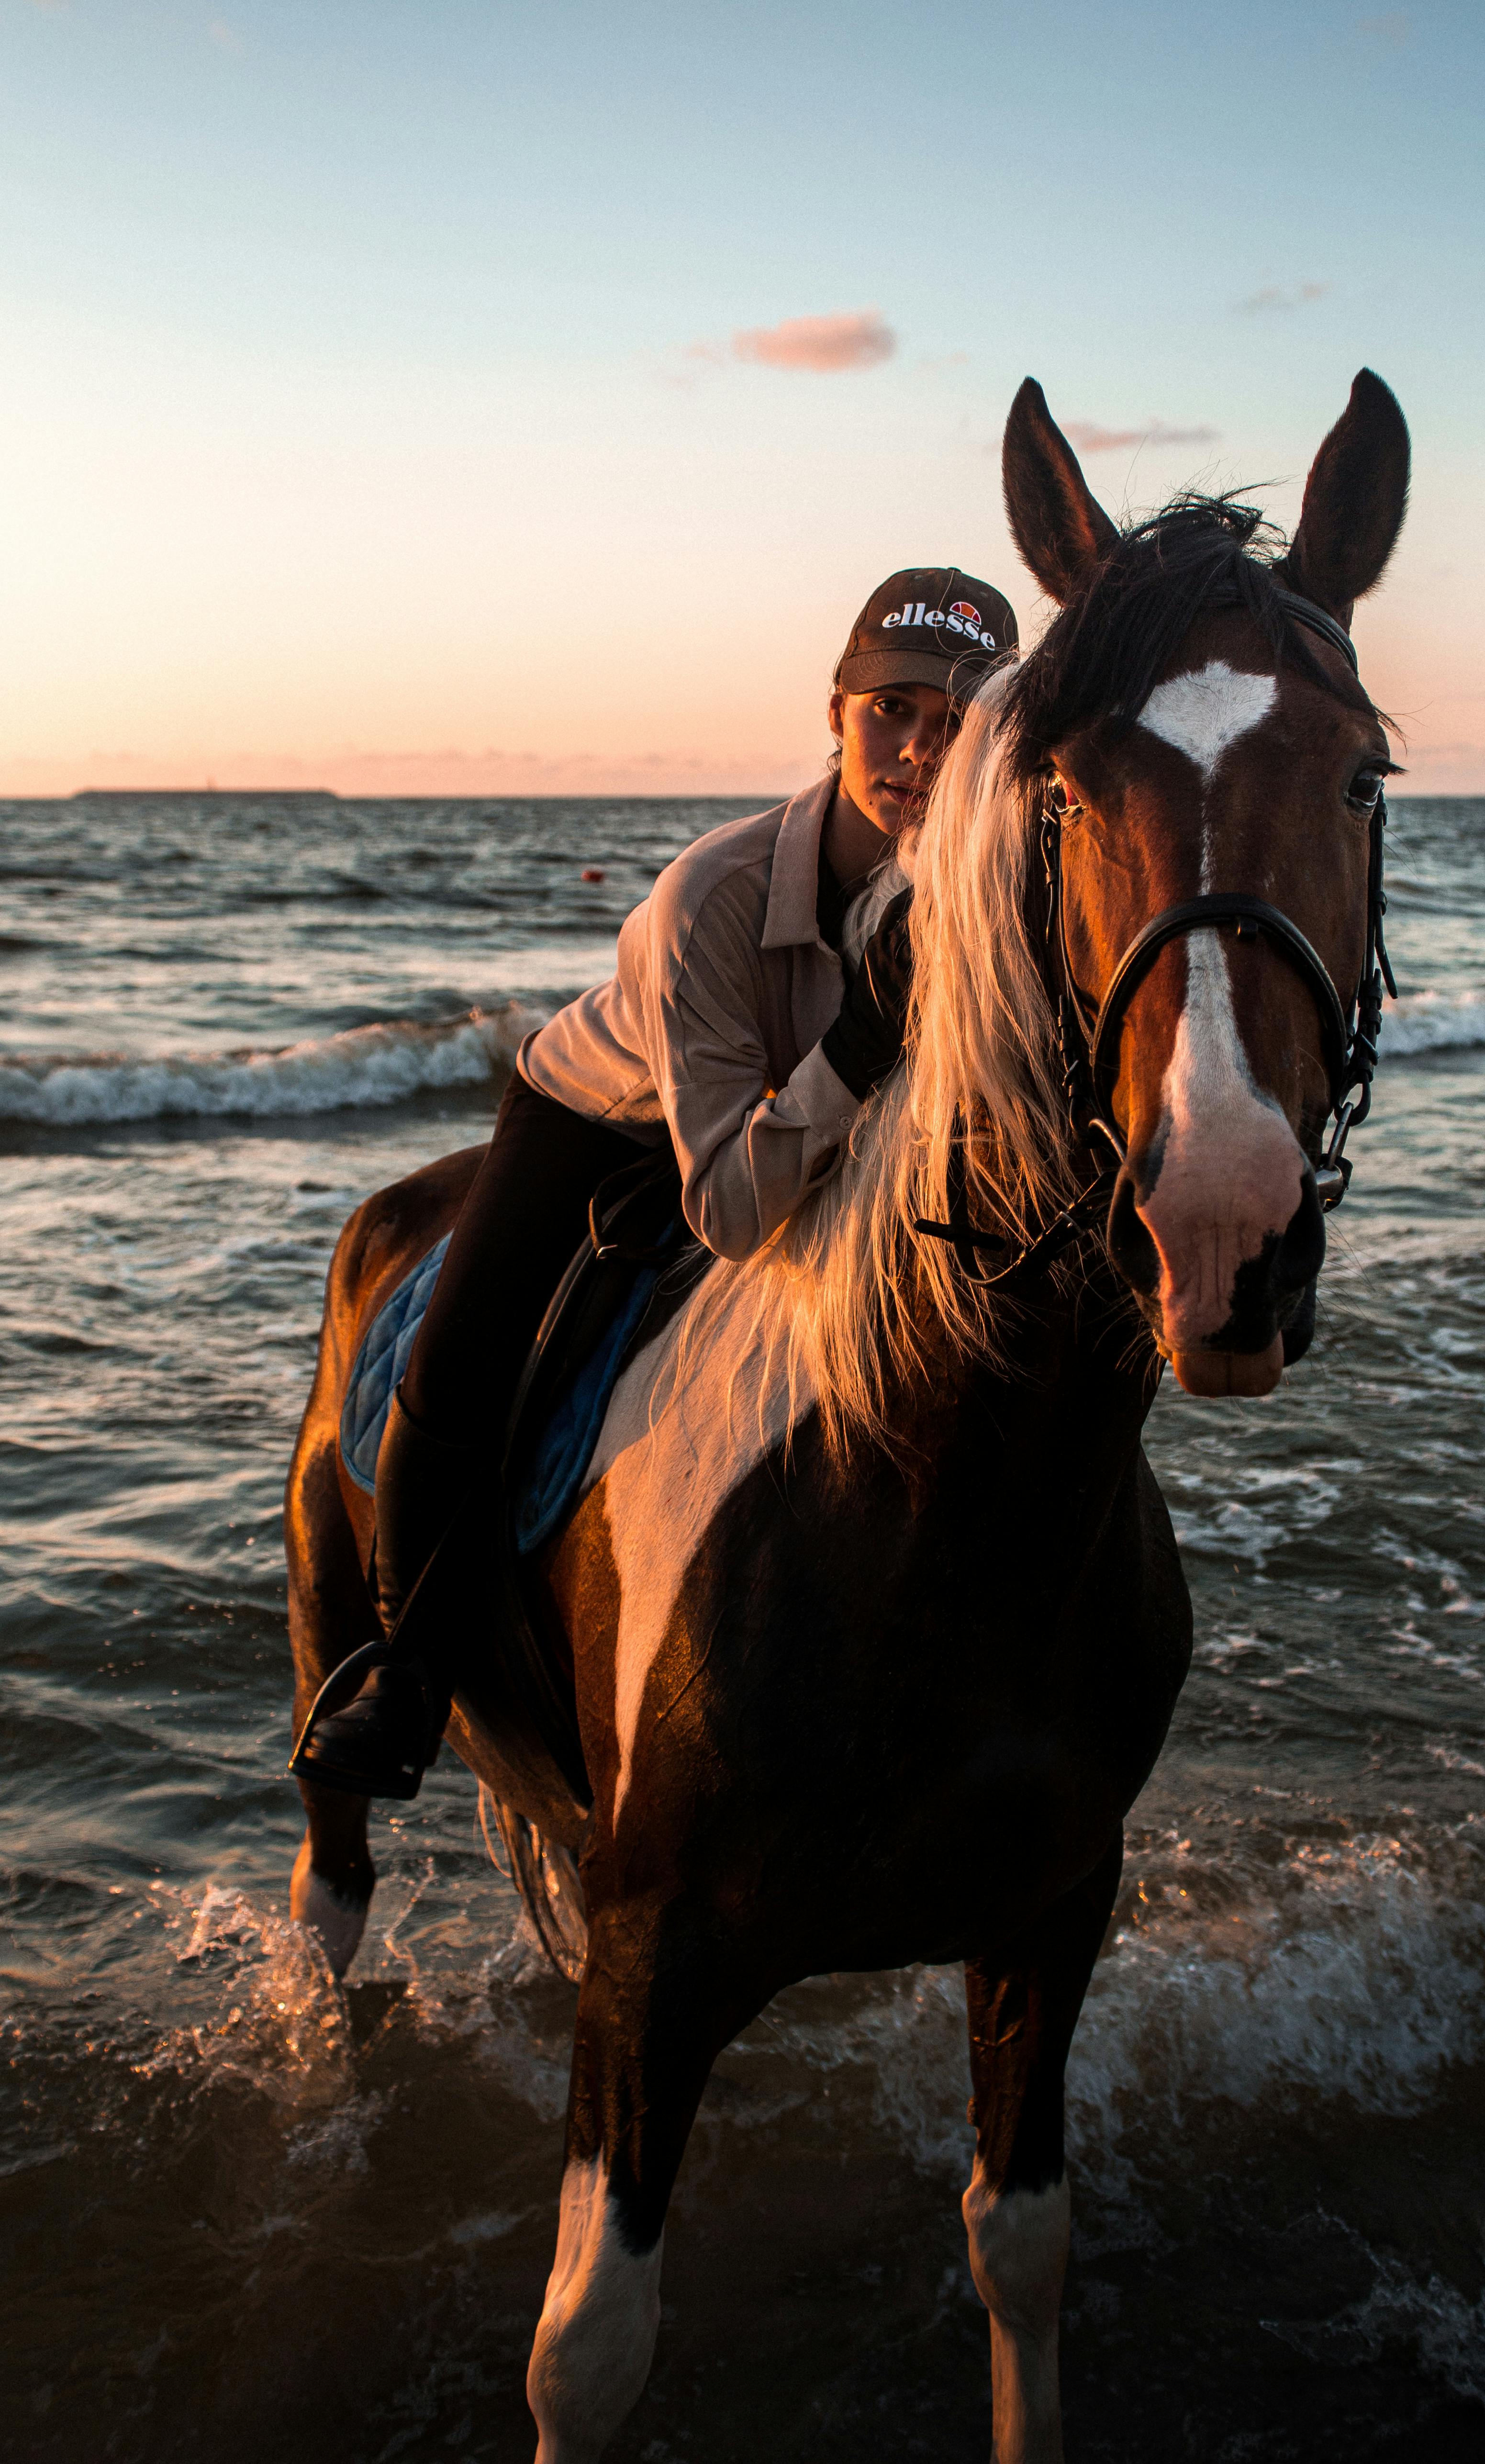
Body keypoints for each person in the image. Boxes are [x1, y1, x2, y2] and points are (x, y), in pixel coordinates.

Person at [295, 566, 1019, 1797]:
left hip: (808, 1126)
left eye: (956, 725)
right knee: (461, 1353)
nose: (915, 750)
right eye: (891, 708)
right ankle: (406, 1669)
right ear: (835, 712)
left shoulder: (990, 898)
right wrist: (859, 1045)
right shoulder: (714, 896)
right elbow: (732, 1208)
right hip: (606, 1114)